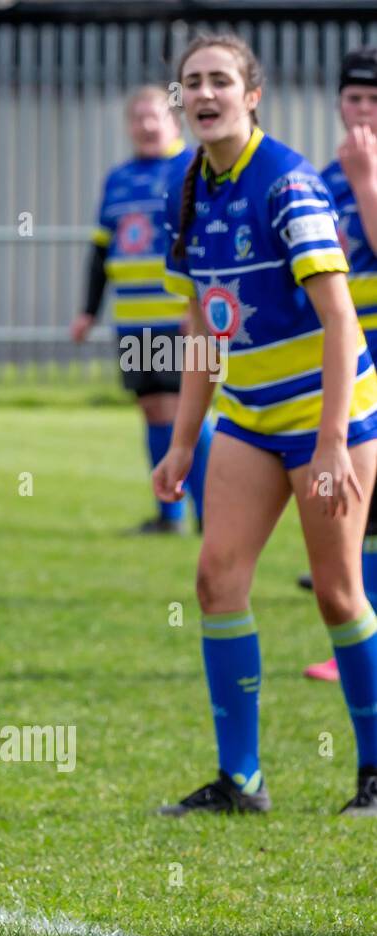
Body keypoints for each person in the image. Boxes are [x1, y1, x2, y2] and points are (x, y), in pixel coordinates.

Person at [152, 34, 377, 816]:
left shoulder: (287, 186)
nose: (203, 93)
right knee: (216, 580)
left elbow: (343, 322)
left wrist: (329, 445)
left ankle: (374, 773)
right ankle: (241, 780)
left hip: (328, 418)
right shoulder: (188, 188)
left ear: (253, 95)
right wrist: (183, 440)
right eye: (192, 83)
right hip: (247, 419)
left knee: (340, 595)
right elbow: (202, 331)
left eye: (220, 80)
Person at [72, 86, 212, 533]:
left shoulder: (194, 168)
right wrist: (88, 311)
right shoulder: (117, 179)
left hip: (184, 319)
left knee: (189, 414)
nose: (146, 126)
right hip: (135, 320)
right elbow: (101, 251)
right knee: (153, 409)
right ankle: (170, 513)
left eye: (154, 117)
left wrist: (204, 306)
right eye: (138, 119)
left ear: (173, 121)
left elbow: (212, 241)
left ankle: (213, 514)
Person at [303, 47, 377, 683]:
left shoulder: (358, 174)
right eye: (355, 99)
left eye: (375, 101)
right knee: (360, 504)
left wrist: (367, 183)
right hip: (352, 364)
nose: (363, 111)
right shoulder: (319, 178)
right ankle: (355, 634)